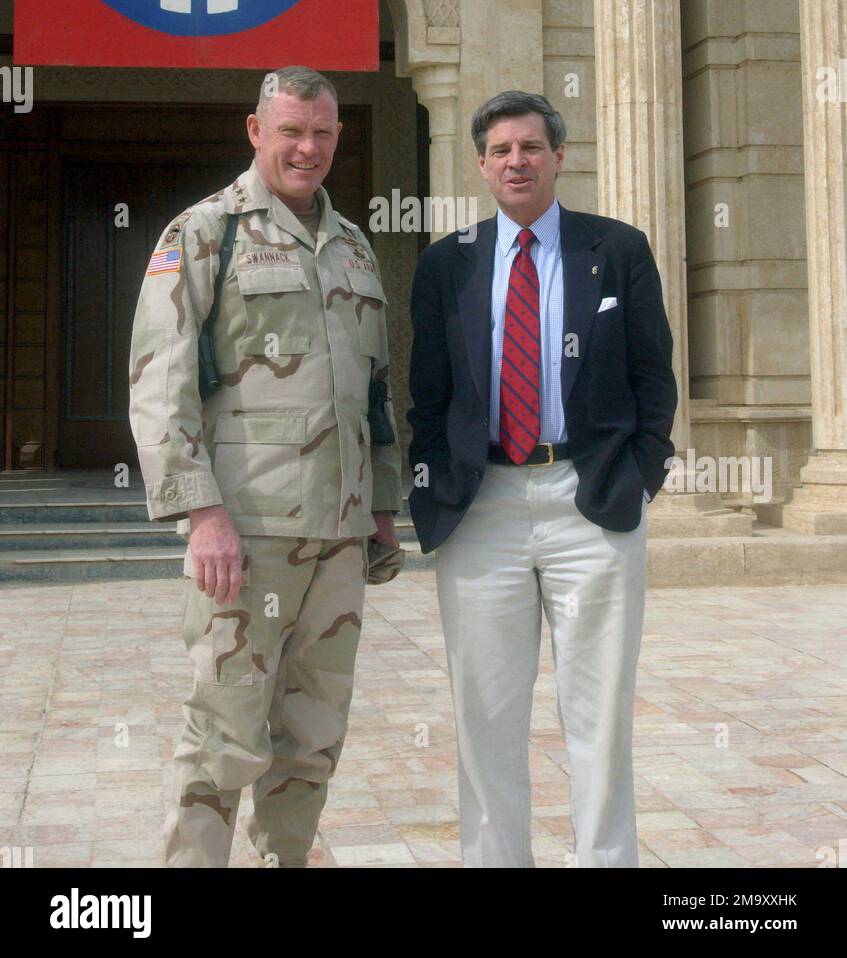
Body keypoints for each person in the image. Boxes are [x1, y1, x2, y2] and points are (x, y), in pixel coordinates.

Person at [129, 65, 402, 868]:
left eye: (321, 132)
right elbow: (159, 378)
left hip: (340, 535)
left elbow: (374, 391)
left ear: (337, 136)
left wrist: (382, 506)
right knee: (223, 735)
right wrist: (200, 513)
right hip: (248, 535)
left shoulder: (353, 246)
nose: (306, 147)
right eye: (290, 130)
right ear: (256, 132)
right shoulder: (203, 231)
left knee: (313, 738)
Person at [407, 89, 677, 868]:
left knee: (597, 714)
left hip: (589, 502)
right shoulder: (445, 262)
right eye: (499, 151)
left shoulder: (616, 249)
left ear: (559, 157)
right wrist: (433, 490)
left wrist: (640, 473)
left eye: (530, 147)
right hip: (480, 504)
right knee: (484, 716)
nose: (515, 162)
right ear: (481, 166)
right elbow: (429, 396)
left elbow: (653, 378)